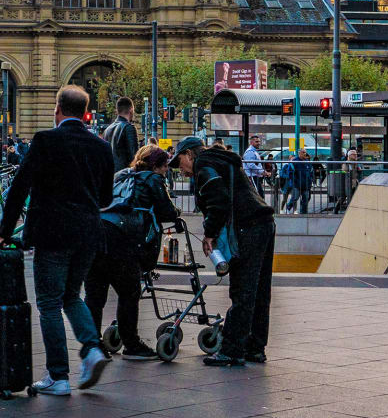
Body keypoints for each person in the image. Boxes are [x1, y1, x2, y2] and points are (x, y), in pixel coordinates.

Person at [0, 85, 115, 395]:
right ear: (85, 113)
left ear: (57, 109)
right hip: (89, 233)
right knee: (72, 295)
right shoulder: (101, 147)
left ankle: (58, 376)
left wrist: (5, 230)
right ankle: (92, 348)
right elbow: (105, 198)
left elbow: (20, 186)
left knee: (49, 303)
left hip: (53, 232)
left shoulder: (46, 140)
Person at [86, 144, 181, 361]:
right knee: (129, 292)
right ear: (156, 166)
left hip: (96, 234)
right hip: (122, 240)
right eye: (165, 166)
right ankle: (131, 344)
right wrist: (176, 212)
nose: (166, 170)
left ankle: (93, 344)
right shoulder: (153, 179)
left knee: (95, 295)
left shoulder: (122, 175)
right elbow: (167, 211)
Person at [192, 133, 278, 363]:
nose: (179, 169)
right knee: (260, 290)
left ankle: (232, 350)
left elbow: (218, 201)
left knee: (243, 290)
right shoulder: (224, 160)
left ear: (189, 155)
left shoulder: (203, 165)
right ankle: (254, 346)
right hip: (264, 222)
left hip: (247, 227)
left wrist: (209, 233)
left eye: (179, 161)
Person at [102, 97, 139, 171]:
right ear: (131, 110)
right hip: (125, 175)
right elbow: (135, 156)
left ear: (117, 110)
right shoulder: (128, 127)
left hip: (110, 175)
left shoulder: (107, 130)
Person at [242, 135, 267, 200]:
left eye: (259, 141)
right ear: (251, 142)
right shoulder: (250, 152)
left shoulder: (254, 151)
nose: (259, 143)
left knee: (259, 195)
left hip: (254, 176)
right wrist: (262, 172)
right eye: (256, 142)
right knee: (258, 195)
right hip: (252, 176)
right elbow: (251, 165)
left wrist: (262, 172)